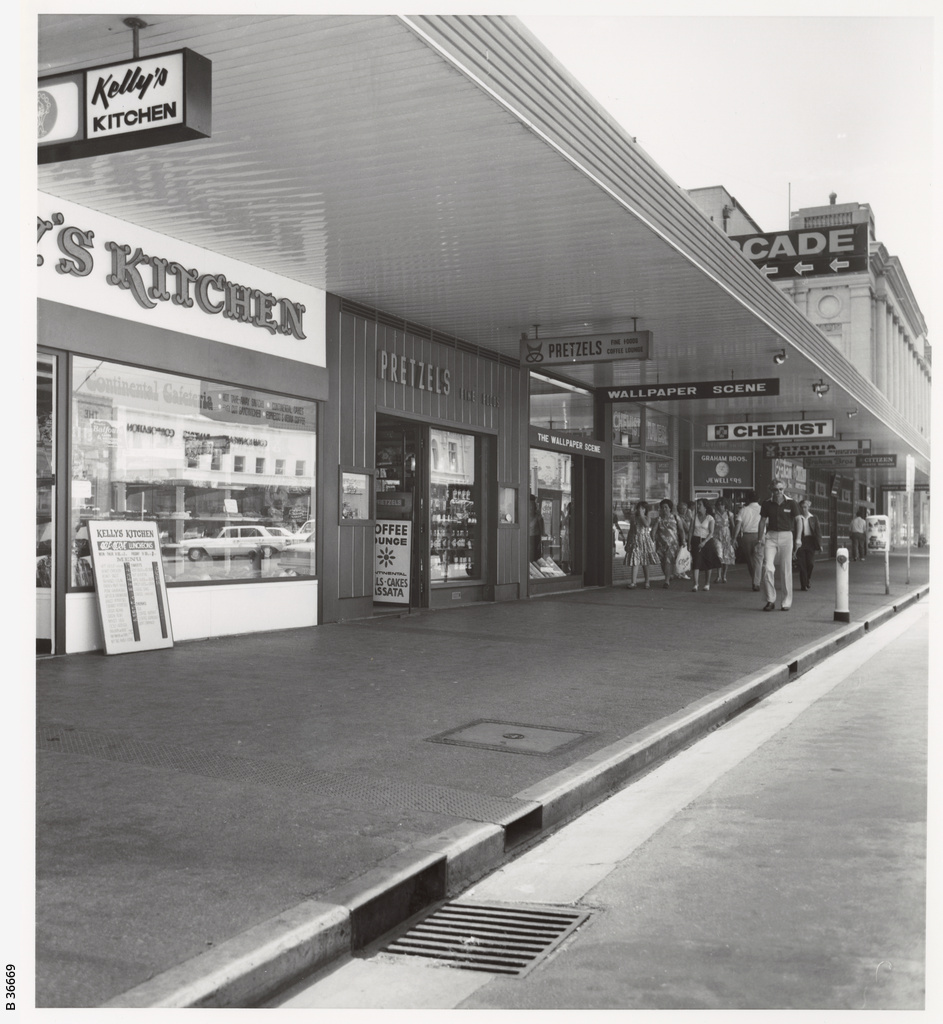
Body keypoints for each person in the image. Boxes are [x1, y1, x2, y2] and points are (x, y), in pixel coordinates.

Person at [758, 479, 801, 611]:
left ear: (784, 489)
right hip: (770, 536)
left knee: (785, 570)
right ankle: (770, 600)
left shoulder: (791, 503)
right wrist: (760, 538)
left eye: (781, 489)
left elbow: (798, 520)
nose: (779, 492)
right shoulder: (766, 504)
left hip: (786, 536)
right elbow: (762, 521)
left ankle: (786, 601)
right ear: (771, 490)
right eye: (776, 489)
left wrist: (798, 538)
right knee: (767, 568)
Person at [732, 490, 763, 592]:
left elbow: (738, 525)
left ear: (748, 499)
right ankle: (756, 582)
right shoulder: (762, 509)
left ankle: (755, 581)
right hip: (760, 535)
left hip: (746, 537)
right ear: (758, 499)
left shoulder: (743, 510)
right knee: (758, 560)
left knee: (750, 561)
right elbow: (767, 523)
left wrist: (734, 538)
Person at [650, 498, 684, 589]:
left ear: (670, 508)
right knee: (662, 562)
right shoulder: (659, 519)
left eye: (666, 507)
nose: (664, 509)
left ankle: (666, 581)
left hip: (672, 544)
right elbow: (654, 529)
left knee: (668, 561)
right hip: (660, 544)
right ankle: (669, 575)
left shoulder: (676, 517)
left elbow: (681, 530)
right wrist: (652, 538)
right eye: (662, 507)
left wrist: (683, 540)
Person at [690, 498, 721, 591]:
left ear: (705, 507)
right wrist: (688, 543)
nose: (698, 506)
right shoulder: (694, 517)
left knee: (708, 562)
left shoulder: (710, 518)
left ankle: (707, 583)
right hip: (696, 540)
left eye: (700, 504)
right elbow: (691, 530)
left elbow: (711, 532)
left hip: (707, 541)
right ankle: (695, 584)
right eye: (697, 504)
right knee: (696, 561)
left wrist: (704, 542)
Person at [624, 500, 657, 588]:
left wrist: (642, 515)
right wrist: (628, 543)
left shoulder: (647, 518)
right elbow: (631, 531)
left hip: (645, 541)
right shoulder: (633, 518)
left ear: (646, 509)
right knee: (635, 560)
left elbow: (646, 524)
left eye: (642, 508)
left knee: (645, 562)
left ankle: (647, 581)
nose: (640, 510)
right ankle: (633, 582)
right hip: (635, 541)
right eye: (639, 508)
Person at [794, 498, 823, 591]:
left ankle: (808, 579)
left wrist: (820, 544)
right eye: (802, 507)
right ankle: (804, 585)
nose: (803, 509)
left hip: (810, 542)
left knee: (810, 564)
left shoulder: (814, 518)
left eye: (805, 507)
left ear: (808, 507)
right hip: (801, 541)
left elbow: (818, 531)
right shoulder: (797, 518)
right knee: (802, 564)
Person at [712, 496, 737, 583]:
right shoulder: (714, 514)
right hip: (717, 535)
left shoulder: (729, 514)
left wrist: (734, 538)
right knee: (719, 555)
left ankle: (724, 575)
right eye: (719, 505)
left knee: (726, 556)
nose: (720, 506)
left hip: (726, 536)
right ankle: (718, 575)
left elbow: (733, 526)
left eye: (722, 505)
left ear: (725, 505)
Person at [674, 501, 694, 579]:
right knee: (681, 555)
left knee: (685, 555)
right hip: (681, 537)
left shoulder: (687, 517)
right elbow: (687, 528)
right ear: (678, 509)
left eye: (685, 508)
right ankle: (681, 572)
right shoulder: (678, 517)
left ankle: (682, 571)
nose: (684, 510)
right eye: (682, 509)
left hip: (688, 537)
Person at [528, 495, 544, 563]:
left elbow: (542, 529)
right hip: (527, 538)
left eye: (532, 505)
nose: (530, 508)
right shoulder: (525, 515)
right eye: (529, 506)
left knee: (535, 557)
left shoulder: (538, 516)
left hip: (535, 539)